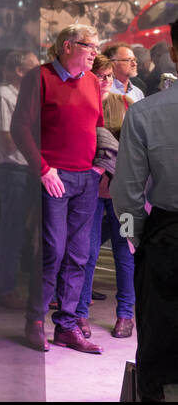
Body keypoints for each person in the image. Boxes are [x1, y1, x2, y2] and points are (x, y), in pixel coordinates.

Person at [11, 24, 104, 354]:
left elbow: (98, 125)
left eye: (97, 46)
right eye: (89, 46)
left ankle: (66, 326)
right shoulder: (40, 77)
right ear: (67, 46)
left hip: (86, 180)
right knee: (53, 250)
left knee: (79, 255)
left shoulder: (93, 82)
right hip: (54, 177)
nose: (95, 51)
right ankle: (35, 320)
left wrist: (99, 165)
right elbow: (19, 128)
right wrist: (44, 169)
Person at [112, 18, 178, 400]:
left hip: (167, 241)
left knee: (162, 357)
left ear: (173, 53)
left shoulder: (145, 113)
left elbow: (126, 195)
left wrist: (136, 241)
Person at [71, 62, 133, 341]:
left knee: (124, 253)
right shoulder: (83, 102)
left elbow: (137, 147)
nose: (106, 80)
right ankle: (80, 313)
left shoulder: (126, 103)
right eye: (101, 76)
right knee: (88, 252)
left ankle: (126, 314)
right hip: (92, 188)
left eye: (109, 76)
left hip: (123, 189)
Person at [0, 50, 39, 308]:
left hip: (22, 169)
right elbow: (7, 138)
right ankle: (4, 288)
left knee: (17, 232)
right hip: (13, 169)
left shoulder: (19, 96)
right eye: (34, 67)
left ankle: (8, 285)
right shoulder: (4, 96)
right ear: (19, 70)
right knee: (11, 233)